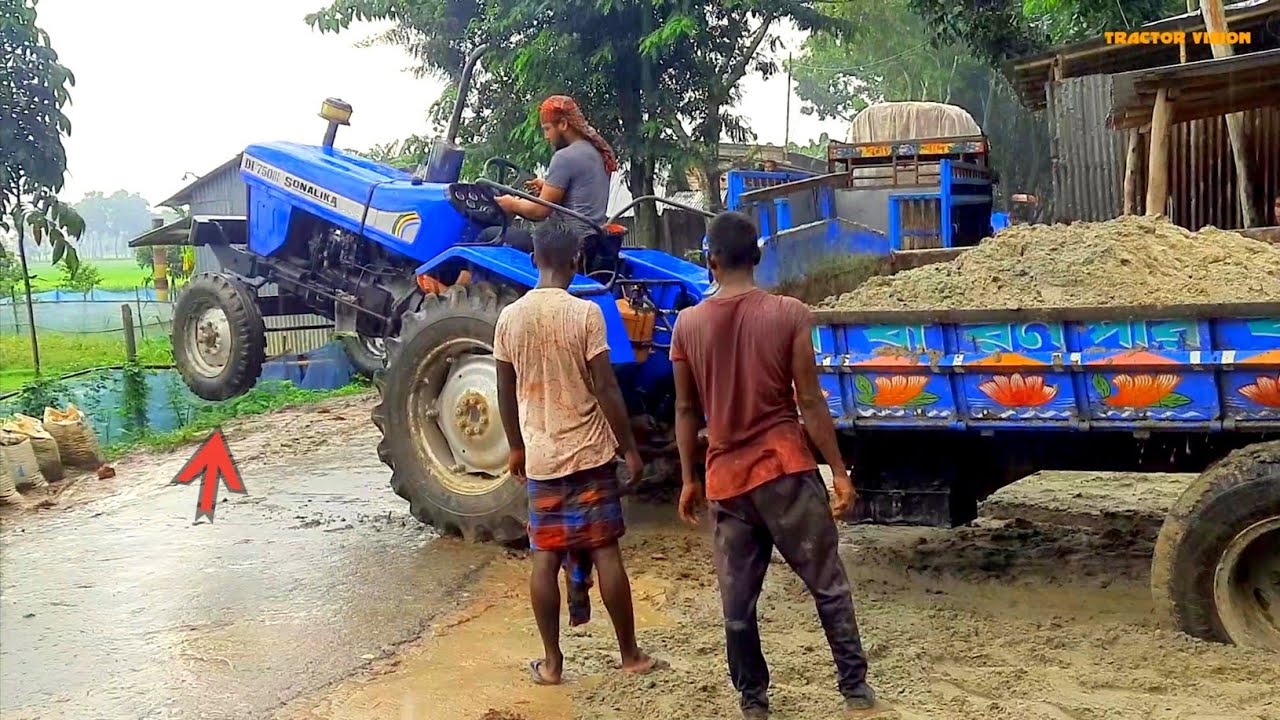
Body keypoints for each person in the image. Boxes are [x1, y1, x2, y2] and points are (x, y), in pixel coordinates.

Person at [670, 211, 876, 718]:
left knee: (737, 603)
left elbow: (684, 410)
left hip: (727, 481)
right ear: (757, 257)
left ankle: (754, 701)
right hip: (785, 469)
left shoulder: (688, 324)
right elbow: (809, 399)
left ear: (711, 262)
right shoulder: (788, 314)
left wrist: (689, 478)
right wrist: (840, 470)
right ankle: (855, 691)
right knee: (827, 583)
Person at [494, 218, 664, 685]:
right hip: (590, 452)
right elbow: (607, 387)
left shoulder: (509, 318)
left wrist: (515, 447)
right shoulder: (586, 314)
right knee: (606, 549)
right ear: (576, 262)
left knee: (544, 558)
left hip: (543, 457)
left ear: (533, 261)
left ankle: (552, 664)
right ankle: (629, 655)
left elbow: (504, 393)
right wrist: (628, 448)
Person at [492, 95, 616, 257]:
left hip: (565, 245)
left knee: (488, 236)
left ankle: (475, 283)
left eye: (547, 129)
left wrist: (511, 203)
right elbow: (583, 193)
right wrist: (547, 185)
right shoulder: (597, 153)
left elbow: (539, 211)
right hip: (593, 243)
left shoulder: (564, 157)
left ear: (563, 124)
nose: (546, 136)